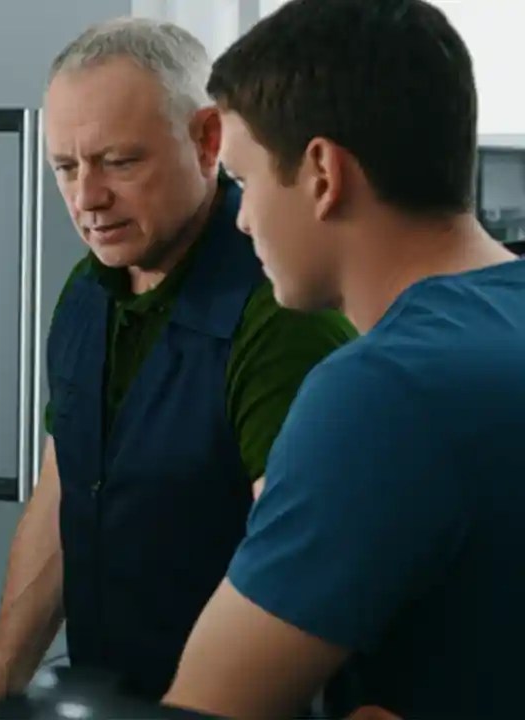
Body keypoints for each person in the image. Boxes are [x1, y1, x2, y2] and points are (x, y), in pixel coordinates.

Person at [0, 18, 357, 717]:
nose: (87, 199)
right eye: (67, 168)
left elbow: (307, 572)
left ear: (208, 141)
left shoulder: (279, 309)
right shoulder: (85, 294)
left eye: (118, 161)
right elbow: (62, 500)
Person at [163, 1, 525, 718]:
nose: (239, 217)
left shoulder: (383, 393)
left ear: (323, 173)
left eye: (242, 181)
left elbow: (205, 710)